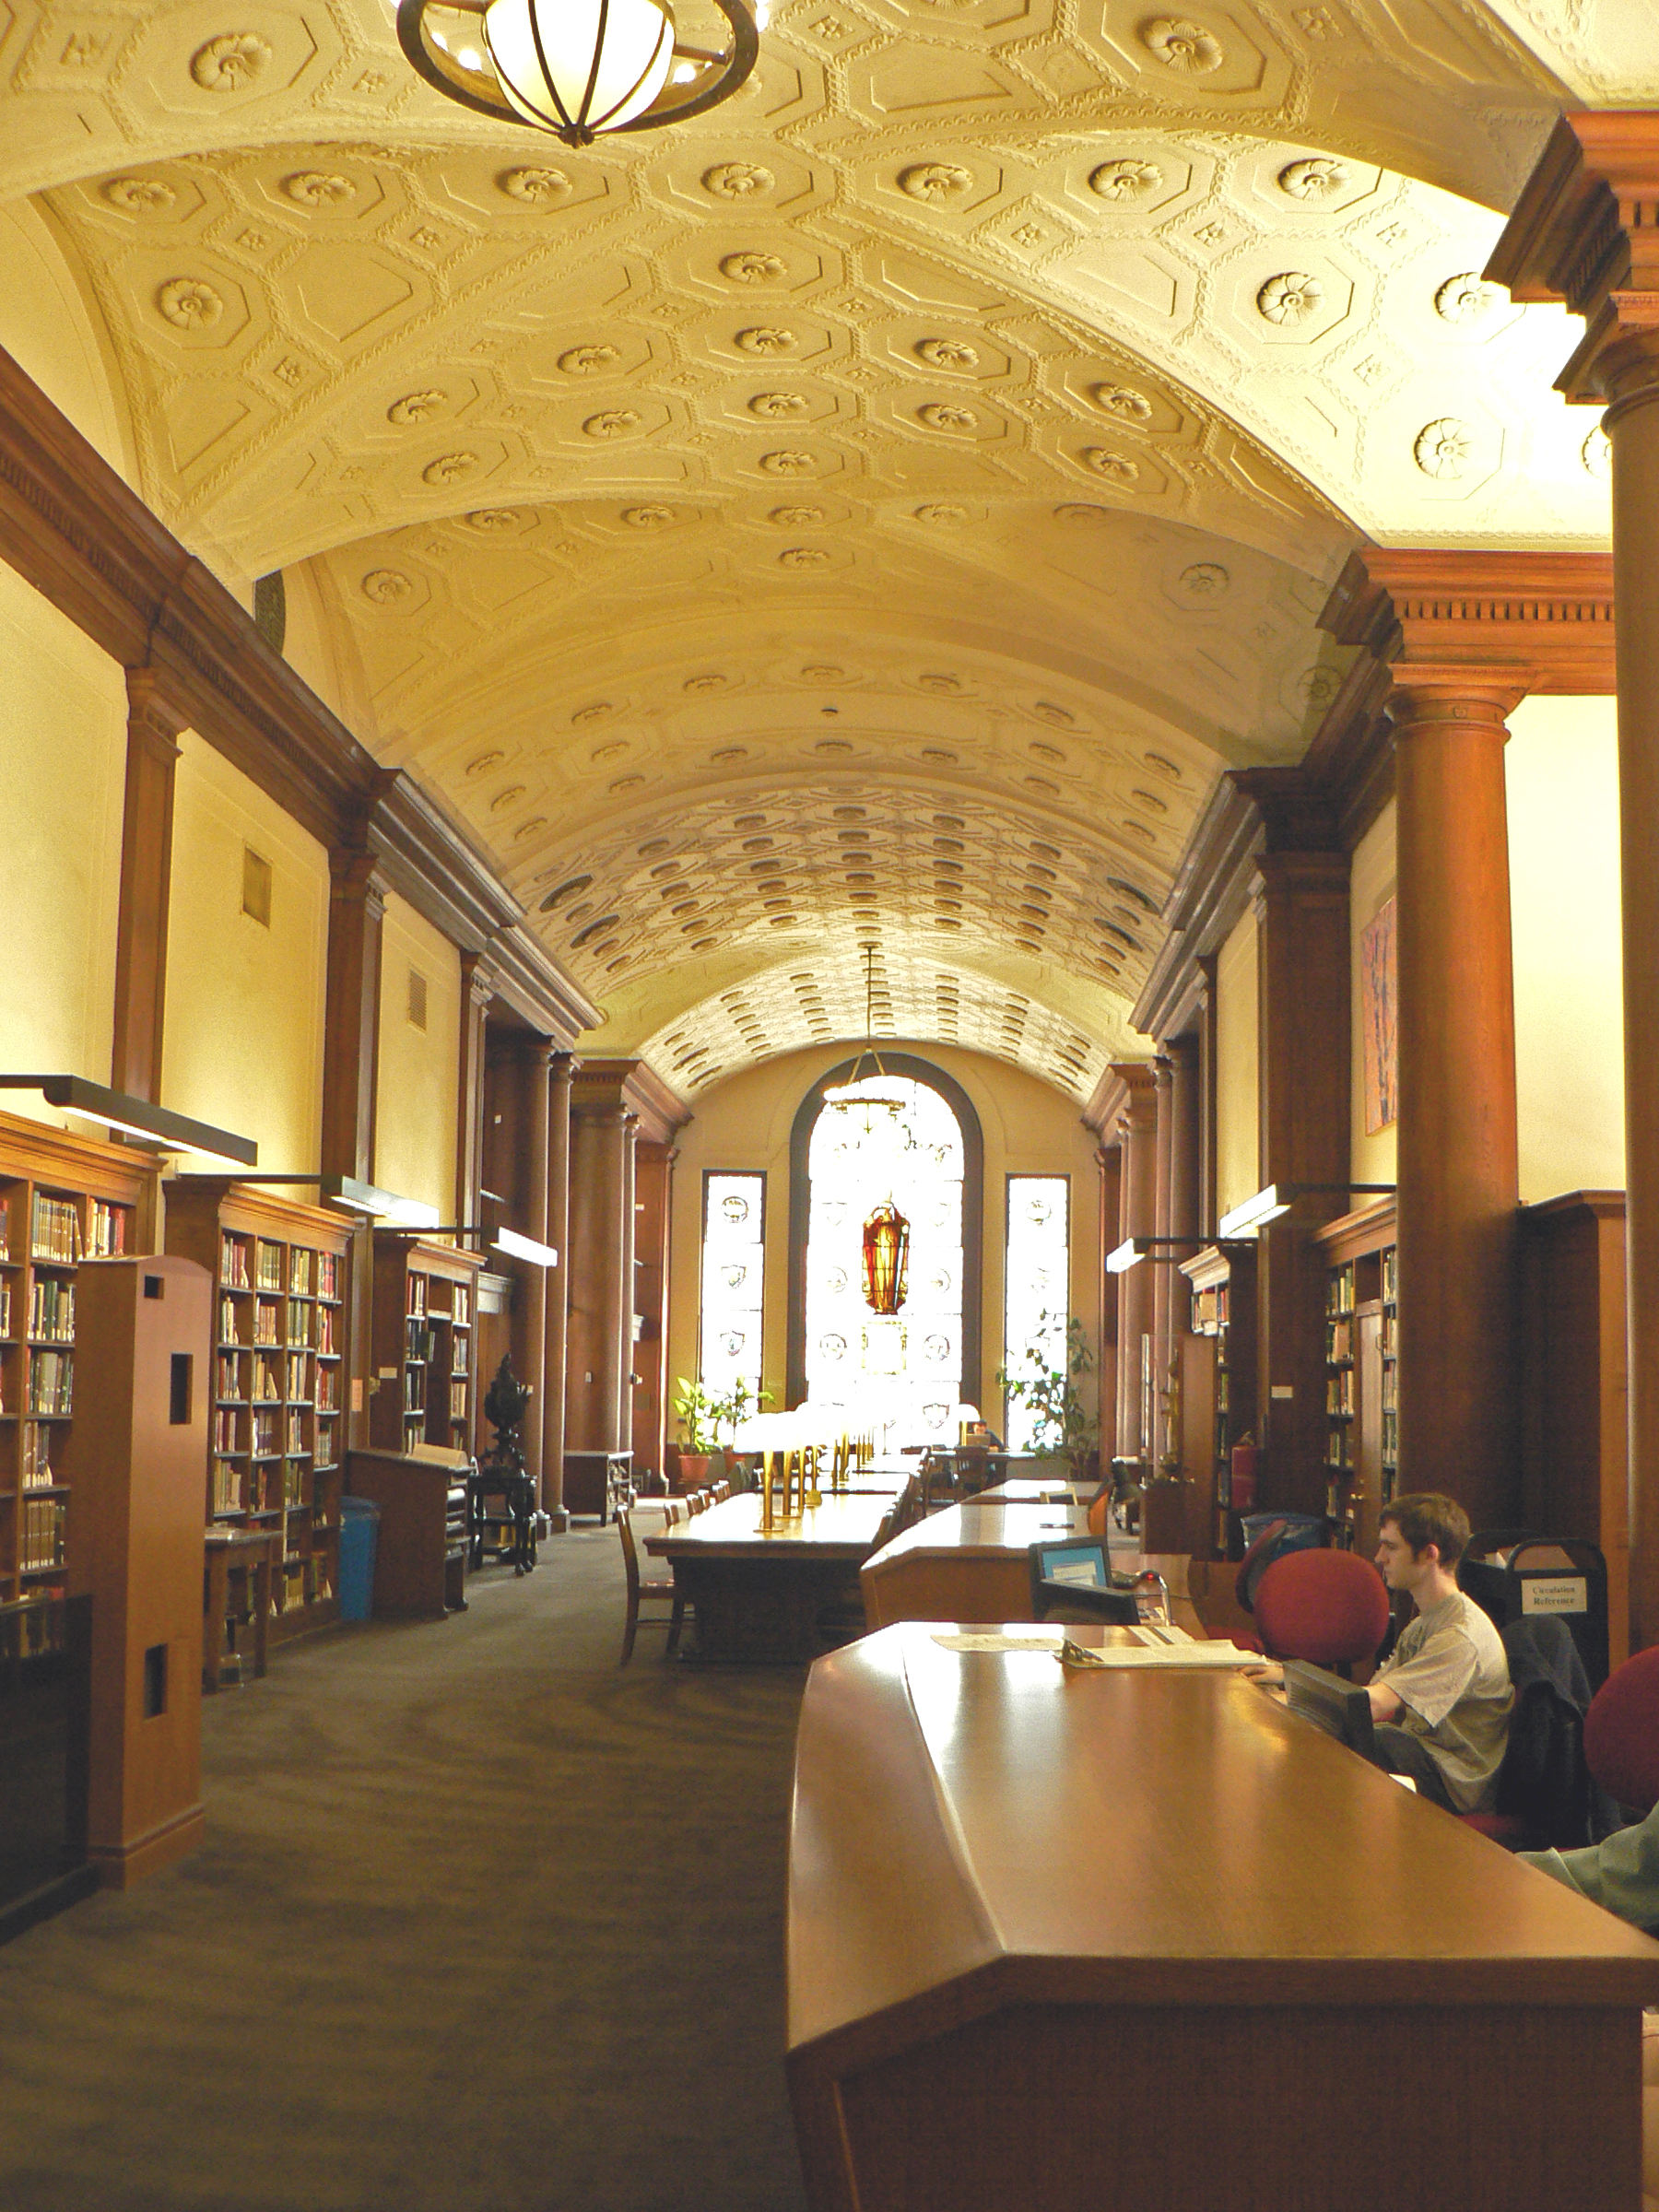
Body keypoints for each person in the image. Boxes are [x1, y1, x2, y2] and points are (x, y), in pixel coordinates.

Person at [1251, 1491, 1512, 1813]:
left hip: (1451, 1778)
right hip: (1420, 1750)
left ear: (1429, 1555)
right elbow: (1371, 1694)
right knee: (1317, 1743)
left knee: (1315, 1747)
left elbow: (1370, 1706)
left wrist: (1287, 1699)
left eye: (1391, 1547)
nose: (1379, 1558)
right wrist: (1286, 1678)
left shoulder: (1460, 1635)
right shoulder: (1425, 1621)